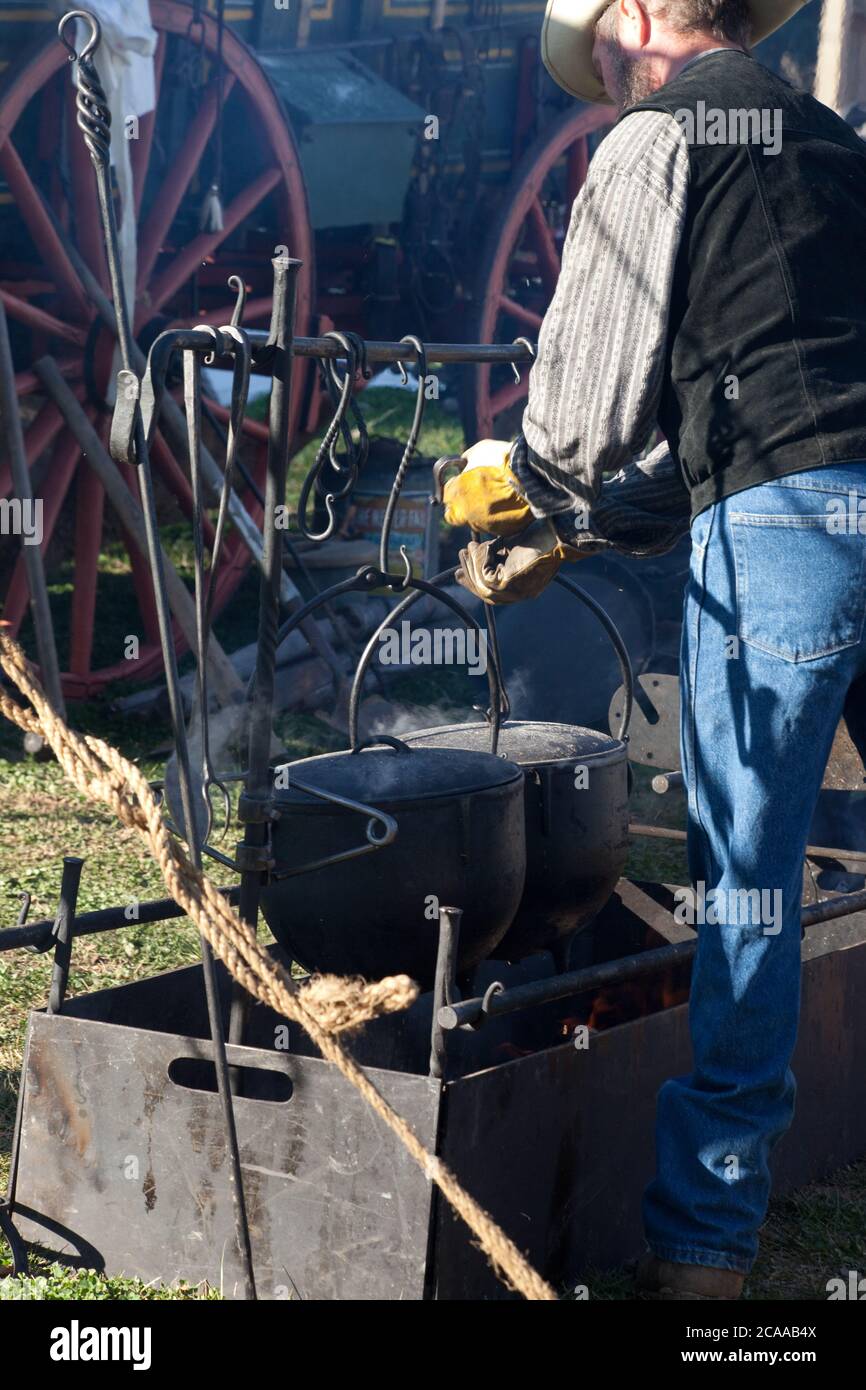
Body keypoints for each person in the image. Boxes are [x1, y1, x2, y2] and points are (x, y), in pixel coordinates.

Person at [444, 0, 866, 1299]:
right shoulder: (831, 141)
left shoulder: (657, 138)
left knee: (747, 888)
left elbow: (578, 420)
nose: (604, 77)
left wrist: (515, 485)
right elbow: (767, 405)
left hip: (787, 532)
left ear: (631, 17)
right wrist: (592, 525)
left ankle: (700, 1253)